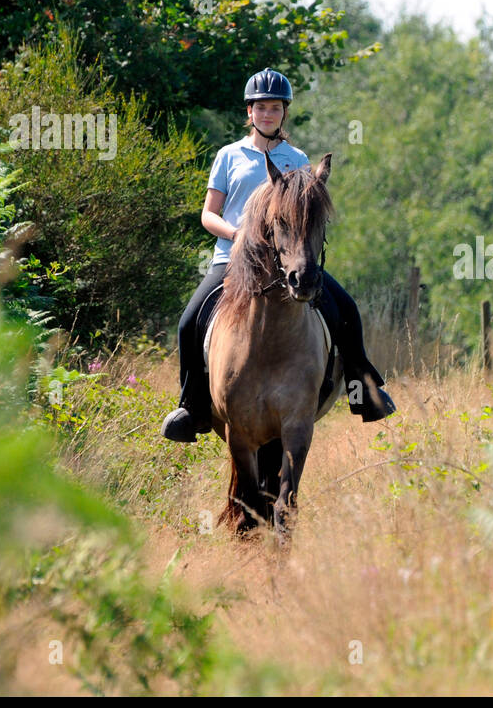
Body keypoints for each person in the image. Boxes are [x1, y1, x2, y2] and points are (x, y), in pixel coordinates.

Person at [161, 68, 396, 443]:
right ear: (249, 112)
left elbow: (305, 210)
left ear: (283, 112)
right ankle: (192, 407)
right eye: (260, 108)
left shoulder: (296, 157)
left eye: (274, 108)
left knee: (347, 310)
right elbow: (208, 214)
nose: (267, 114)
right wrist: (238, 235)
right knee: (190, 322)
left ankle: (361, 391)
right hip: (234, 259)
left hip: (288, 261)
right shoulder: (228, 156)